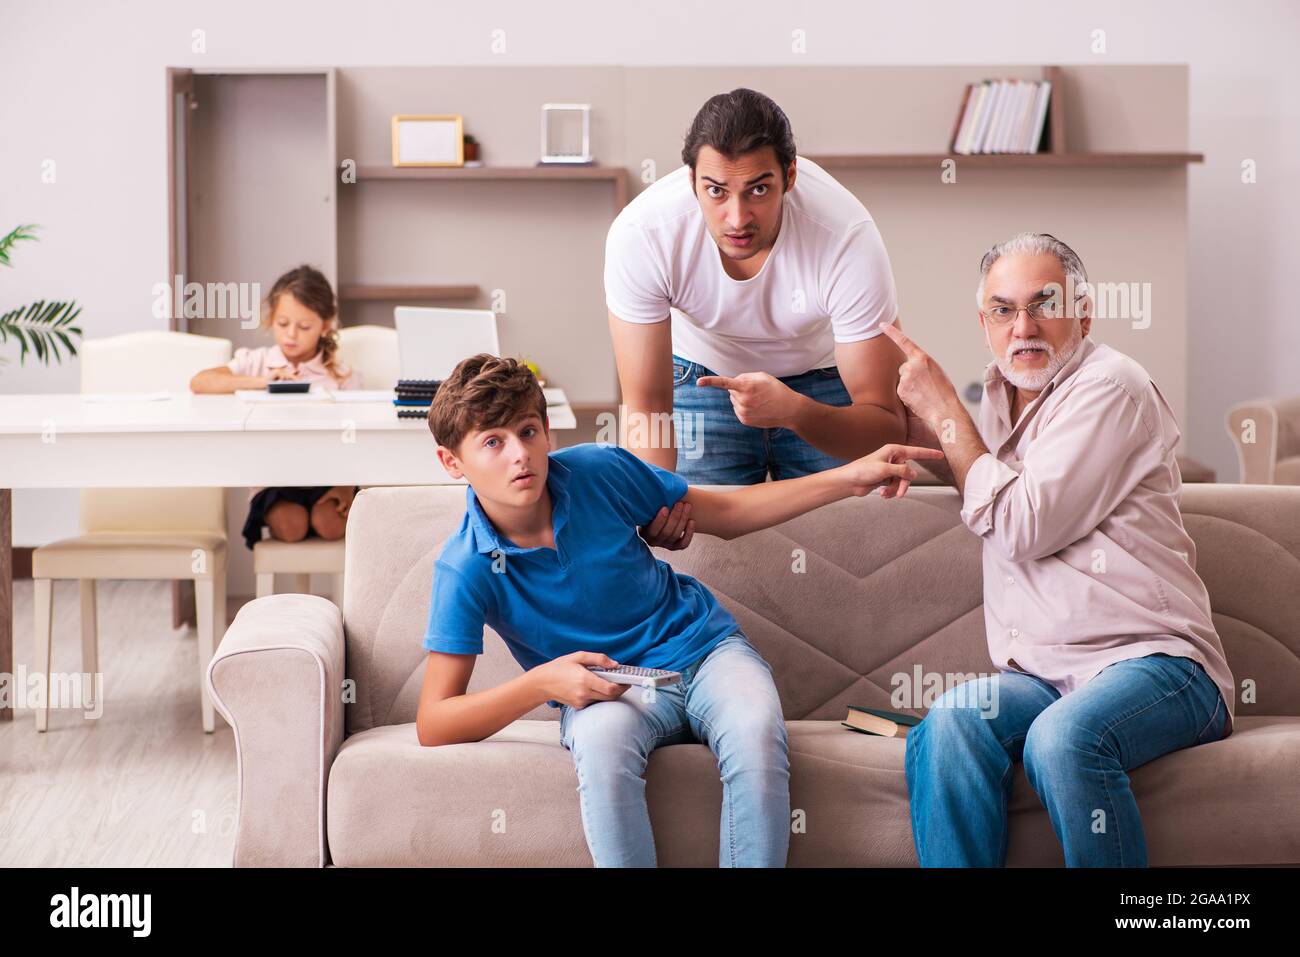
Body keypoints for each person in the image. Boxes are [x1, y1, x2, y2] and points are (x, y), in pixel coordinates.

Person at [414, 353, 941, 867]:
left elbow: (728, 512)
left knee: (757, 730)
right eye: (492, 442)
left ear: (548, 432)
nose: (518, 455)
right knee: (601, 748)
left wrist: (849, 478)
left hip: (707, 651)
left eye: (528, 431)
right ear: (451, 462)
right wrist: (542, 684)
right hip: (611, 688)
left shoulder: (602, 471)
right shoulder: (465, 567)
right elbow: (434, 721)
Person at [882, 232, 1234, 867]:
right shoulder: (999, 401)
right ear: (984, 323)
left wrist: (943, 412)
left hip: (1159, 668)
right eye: (1003, 310)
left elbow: (1019, 523)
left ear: (1084, 313)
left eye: (1045, 304)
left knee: (1063, 738)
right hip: (1046, 678)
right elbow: (966, 468)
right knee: (950, 726)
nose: (1025, 327)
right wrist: (804, 408)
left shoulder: (1112, 387)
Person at [605, 87, 907, 490]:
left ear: (790, 176)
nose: (737, 218)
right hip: (701, 376)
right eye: (716, 191)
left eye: (759, 190)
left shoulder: (846, 236)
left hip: (822, 378)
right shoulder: (643, 234)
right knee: (691, 530)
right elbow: (646, 409)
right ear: (692, 181)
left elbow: (885, 425)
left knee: (844, 537)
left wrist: (796, 412)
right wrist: (653, 499)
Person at [190, 264, 362, 549]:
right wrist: (262, 381)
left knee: (329, 524)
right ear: (271, 318)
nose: (291, 335)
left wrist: (345, 485)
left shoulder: (340, 374)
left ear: (326, 325)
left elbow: (359, 436)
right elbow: (200, 381)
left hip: (328, 475)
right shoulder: (256, 361)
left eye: (304, 326)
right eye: (283, 324)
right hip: (275, 478)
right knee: (291, 526)